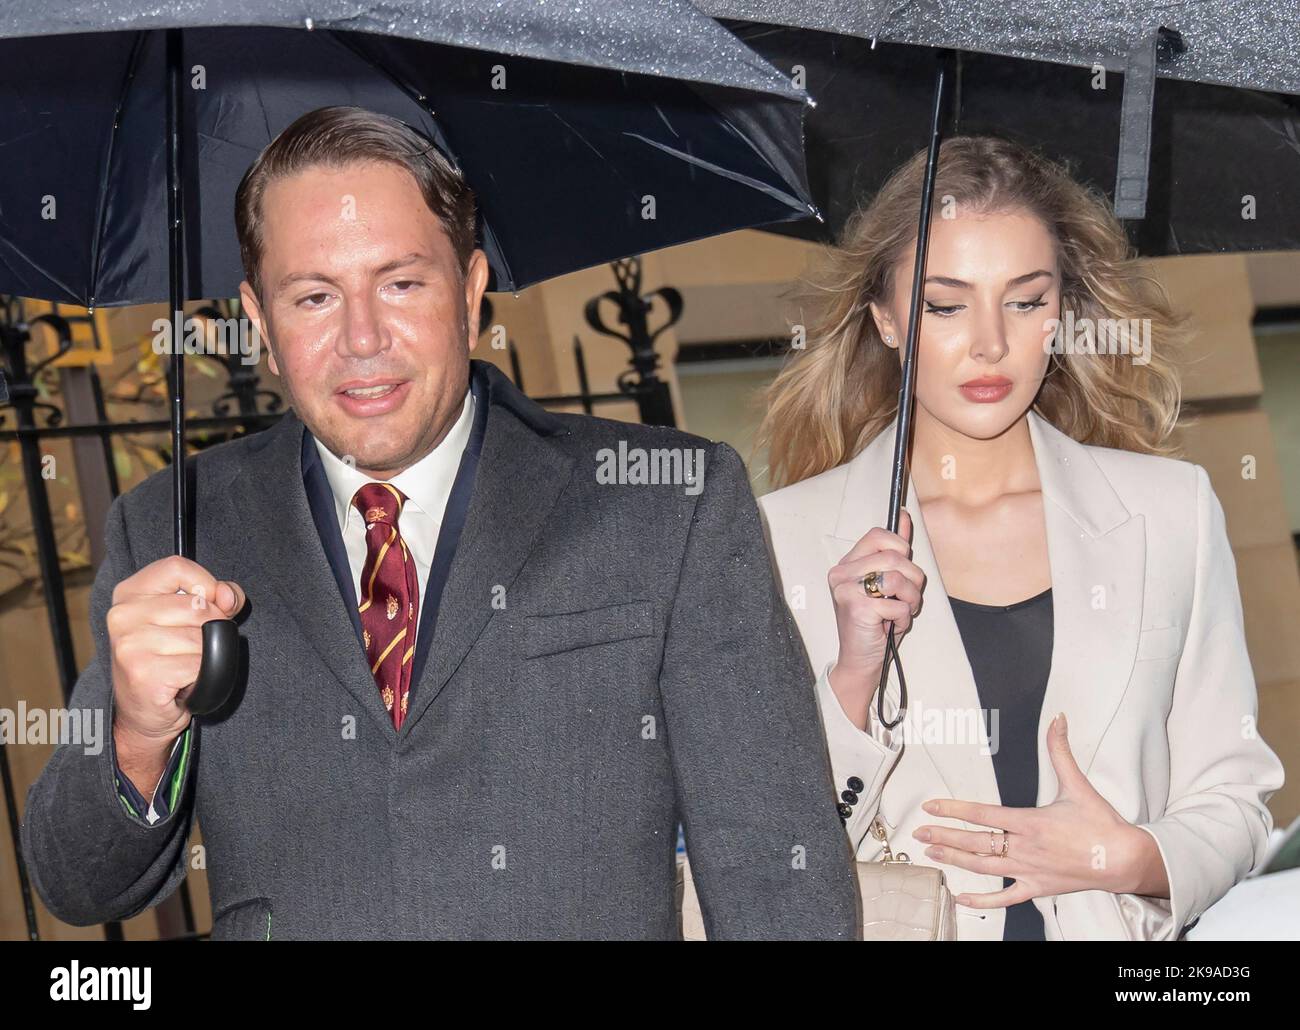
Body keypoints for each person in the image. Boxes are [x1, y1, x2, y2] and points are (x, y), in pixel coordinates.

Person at [21, 106, 860, 940]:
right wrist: (137, 735)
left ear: (469, 291)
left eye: (401, 283)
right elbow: (76, 884)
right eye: (313, 296)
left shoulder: (667, 503)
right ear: (260, 324)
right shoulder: (172, 532)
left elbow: (776, 871)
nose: (361, 337)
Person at [754, 135, 1285, 940]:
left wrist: (1125, 858)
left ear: (1062, 313)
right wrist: (853, 676)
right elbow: (764, 853)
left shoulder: (1169, 512)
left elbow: (1235, 798)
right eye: (945, 304)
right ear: (887, 319)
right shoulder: (782, 537)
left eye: (1026, 300)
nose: (991, 343)